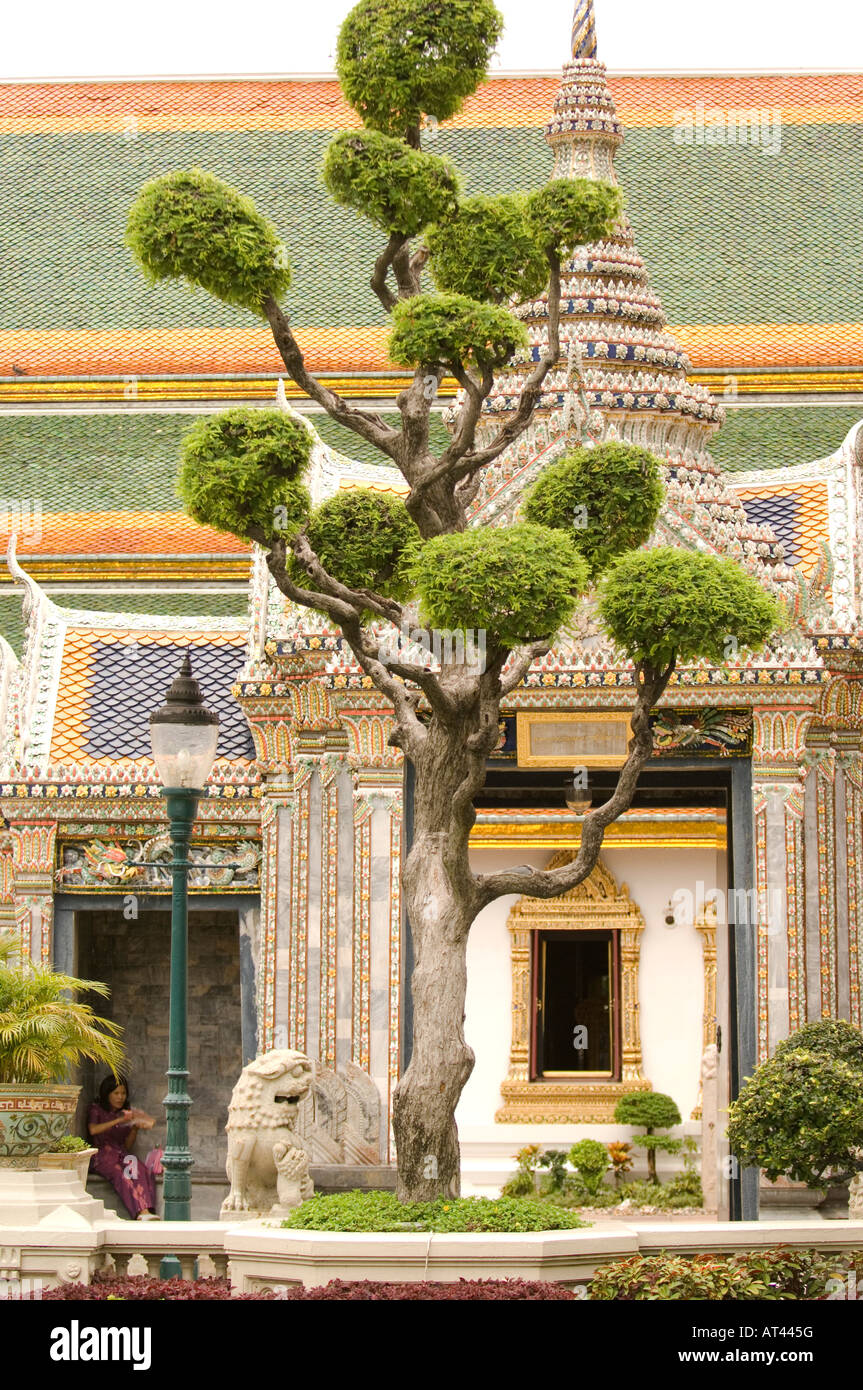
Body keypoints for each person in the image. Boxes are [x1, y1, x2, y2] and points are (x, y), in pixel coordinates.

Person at [87, 1074, 160, 1220]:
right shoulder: (96, 1109)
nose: (120, 1097)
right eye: (116, 1093)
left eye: (123, 1093)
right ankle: (141, 1212)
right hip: (102, 1156)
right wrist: (118, 1120)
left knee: (141, 1169)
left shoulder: (126, 1113)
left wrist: (134, 1128)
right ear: (107, 1094)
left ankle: (147, 1210)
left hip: (122, 1154)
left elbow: (127, 1145)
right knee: (122, 1175)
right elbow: (93, 1130)